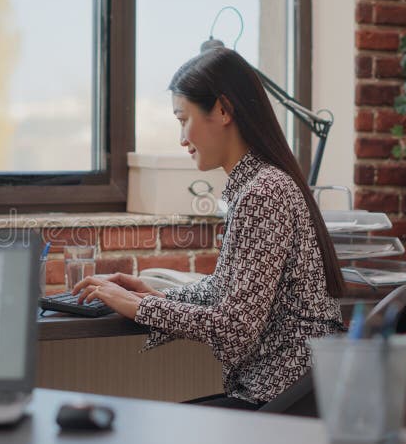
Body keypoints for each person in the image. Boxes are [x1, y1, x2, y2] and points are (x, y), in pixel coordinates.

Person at [71, 47, 345, 411]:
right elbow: (225, 292)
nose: (182, 138)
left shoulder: (263, 193)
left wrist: (137, 307)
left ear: (222, 109)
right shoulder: (259, 186)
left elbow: (235, 326)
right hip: (282, 395)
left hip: (282, 401)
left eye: (183, 119)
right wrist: (152, 296)